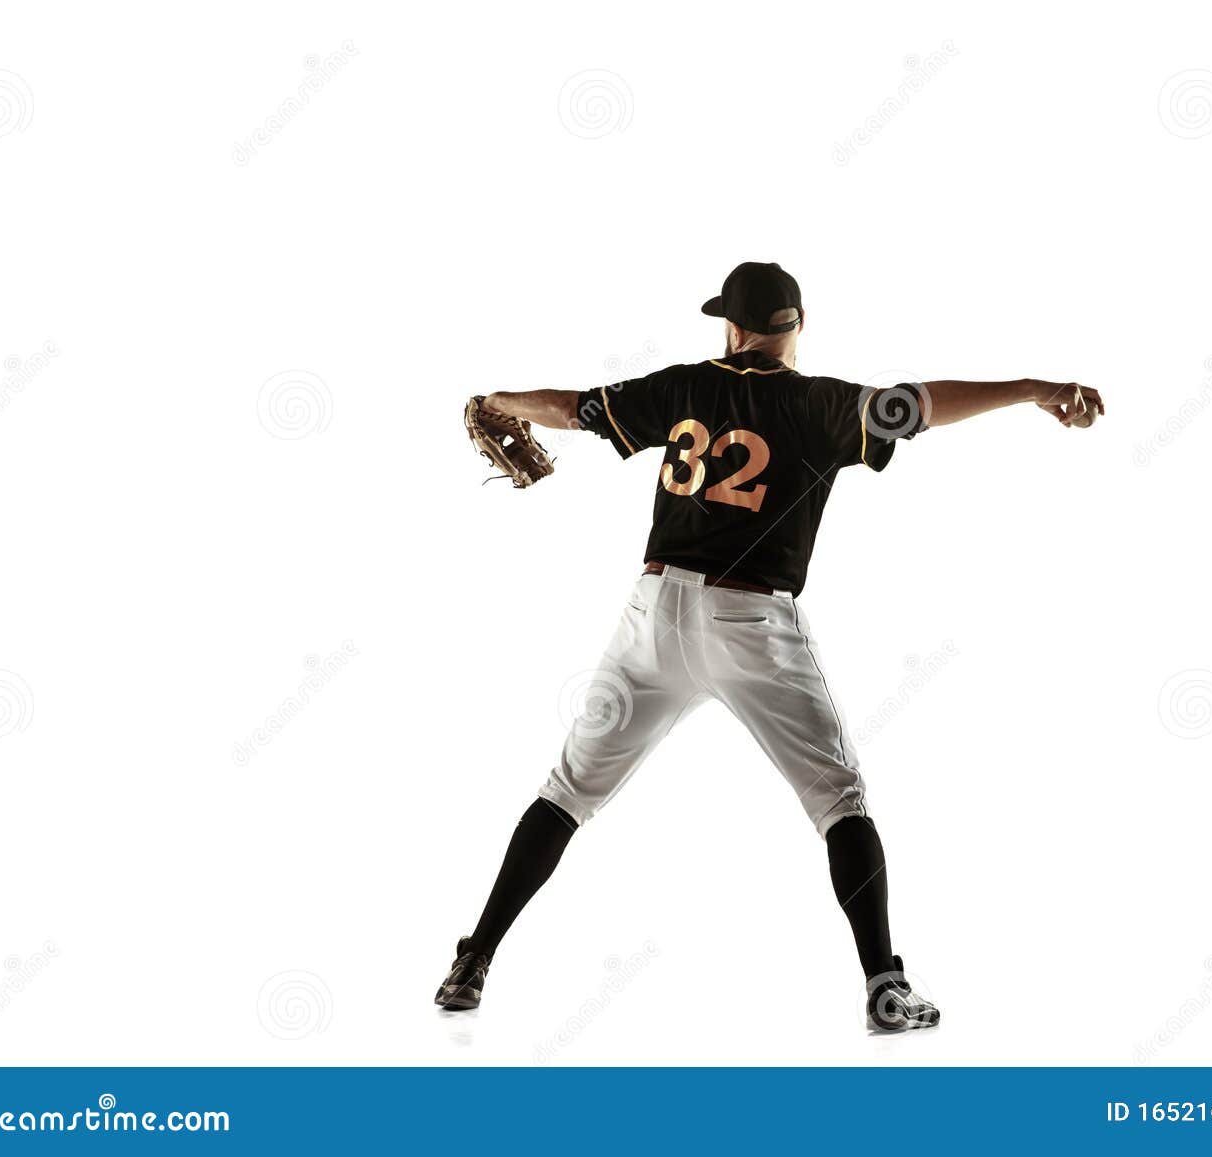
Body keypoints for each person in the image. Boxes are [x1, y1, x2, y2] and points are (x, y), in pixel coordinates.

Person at [436, 261, 1103, 1031]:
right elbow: (919, 403)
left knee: (566, 792)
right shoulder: (819, 403)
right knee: (838, 801)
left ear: (732, 325)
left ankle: (473, 959)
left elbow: (573, 408)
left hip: (651, 614)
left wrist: (495, 401)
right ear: (799, 324)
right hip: (751, 624)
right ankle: (885, 985)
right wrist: (1032, 388)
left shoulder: (683, 385)